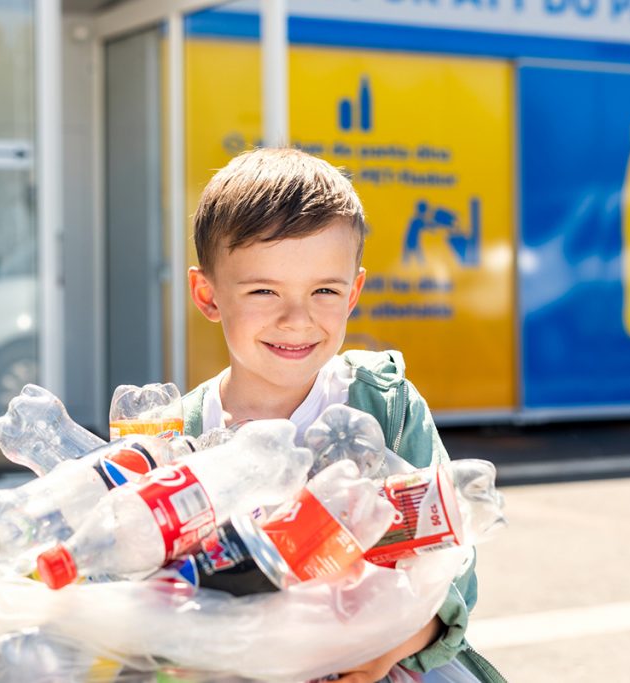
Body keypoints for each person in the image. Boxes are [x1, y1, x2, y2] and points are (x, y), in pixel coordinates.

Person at [180, 148, 502, 683]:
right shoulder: (178, 435)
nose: (296, 319)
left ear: (353, 293)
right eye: (263, 290)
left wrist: (397, 644)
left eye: (324, 291)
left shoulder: (385, 405)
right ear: (207, 295)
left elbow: (452, 561)